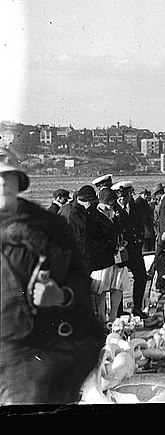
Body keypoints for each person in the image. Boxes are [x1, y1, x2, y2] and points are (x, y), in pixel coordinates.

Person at [0, 148, 104, 404]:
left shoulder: (50, 228)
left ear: (19, 182)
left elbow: (79, 276)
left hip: (33, 352)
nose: (2, 182)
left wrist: (61, 295)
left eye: (8, 176)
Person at [91, 188, 127, 324]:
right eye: (111, 202)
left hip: (116, 257)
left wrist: (121, 241)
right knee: (102, 288)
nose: (113, 204)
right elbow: (95, 237)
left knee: (117, 285)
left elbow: (118, 230)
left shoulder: (114, 213)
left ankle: (113, 317)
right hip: (103, 256)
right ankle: (102, 317)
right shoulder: (95, 215)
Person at [115, 182, 148, 318]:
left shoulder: (135, 207)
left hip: (134, 249)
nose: (123, 199)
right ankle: (118, 311)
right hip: (122, 250)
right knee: (119, 281)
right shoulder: (114, 209)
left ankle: (137, 307)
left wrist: (140, 239)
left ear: (130, 194)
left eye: (126, 195)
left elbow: (140, 224)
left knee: (141, 277)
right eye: (121, 196)